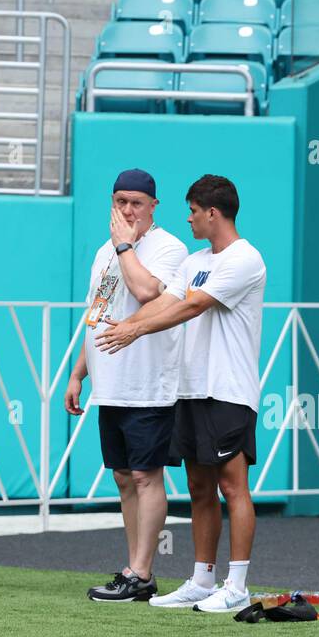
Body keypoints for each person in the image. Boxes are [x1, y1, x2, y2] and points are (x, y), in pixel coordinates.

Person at [97, 175, 266, 614]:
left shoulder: (245, 259)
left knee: (233, 487)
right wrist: (127, 323)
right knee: (198, 487)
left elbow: (190, 307)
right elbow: (164, 301)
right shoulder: (194, 260)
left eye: (193, 210)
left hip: (229, 389)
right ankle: (202, 579)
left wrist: (134, 329)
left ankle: (238, 584)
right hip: (190, 388)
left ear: (212, 213)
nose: (188, 217)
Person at [65, 168, 188, 603]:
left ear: (153, 206)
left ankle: (141, 571)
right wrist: (79, 372)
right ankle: (134, 569)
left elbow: (147, 293)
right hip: (110, 383)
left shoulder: (170, 248)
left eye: (136, 202)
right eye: (120, 201)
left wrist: (125, 246)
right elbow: (97, 312)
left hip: (150, 383)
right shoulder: (103, 252)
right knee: (122, 476)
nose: (128, 210)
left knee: (145, 474)